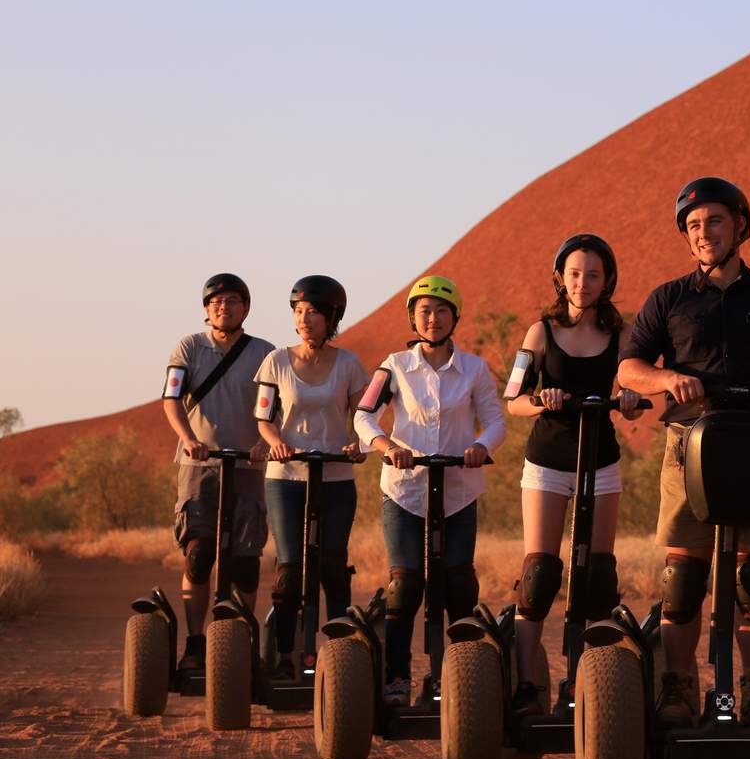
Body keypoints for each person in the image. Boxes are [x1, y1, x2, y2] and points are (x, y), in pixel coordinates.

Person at [617, 178, 750, 730]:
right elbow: (629, 367)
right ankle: (679, 689)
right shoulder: (669, 298)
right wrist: (667, 378)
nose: (703, 233)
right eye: (692, 226)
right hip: (687, 445)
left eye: (713, 221)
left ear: (739, 226)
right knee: (682, 580)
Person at [503, 234, 645, 717]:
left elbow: (636, 389)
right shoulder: (539, 332)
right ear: (560, 278)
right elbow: (514, 400)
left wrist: (628, 400)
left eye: (593, 275)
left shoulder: (623, 336)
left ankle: (590, 687)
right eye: (575, 273)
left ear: (607, 282)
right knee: (540, 573)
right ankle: (526, 685)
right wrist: (541, 399)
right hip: (546, 462)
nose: (582, 283)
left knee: (598, 576)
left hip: (600, 460)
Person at [353, 275, 506, 706]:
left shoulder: (474, 368)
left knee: (458, 585)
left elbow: (496, 420)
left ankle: (455, 679)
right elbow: (364, 417)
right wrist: (387, 446)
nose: (433, 319)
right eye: (424, 311)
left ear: (454, 316)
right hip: (405, 491)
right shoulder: (394, 366)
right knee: (406, 584)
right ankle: (397, 679)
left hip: (458, 490)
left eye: (441, 311)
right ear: (412, 318)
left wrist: (480, 446)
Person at [253, 275, 368, 680]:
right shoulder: (277, 361)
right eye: (299, 312)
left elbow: (364, 416)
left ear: (331, 317)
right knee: (290, 569)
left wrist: (358, 443)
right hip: (286, 476)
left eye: (313, 313)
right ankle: (285, 656)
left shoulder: (350, 364)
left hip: (335, 476)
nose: (304, 320)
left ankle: (339, 659)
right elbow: (265, 418)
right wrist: (277, 443)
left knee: (333, 566)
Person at [161, 273, 276, 673]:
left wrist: (266, 443)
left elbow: (274, 408)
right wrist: (189, 438)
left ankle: (240, 639)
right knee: (198, 553)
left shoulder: (265, 353)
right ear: (206, 309)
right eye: (216, 302)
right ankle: (195, 644)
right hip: (199, 465)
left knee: (245, 559)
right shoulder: (189, 347)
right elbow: (172, 399)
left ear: (245, 308)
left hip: (248, 466)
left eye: (232, 301)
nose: (223, 308)